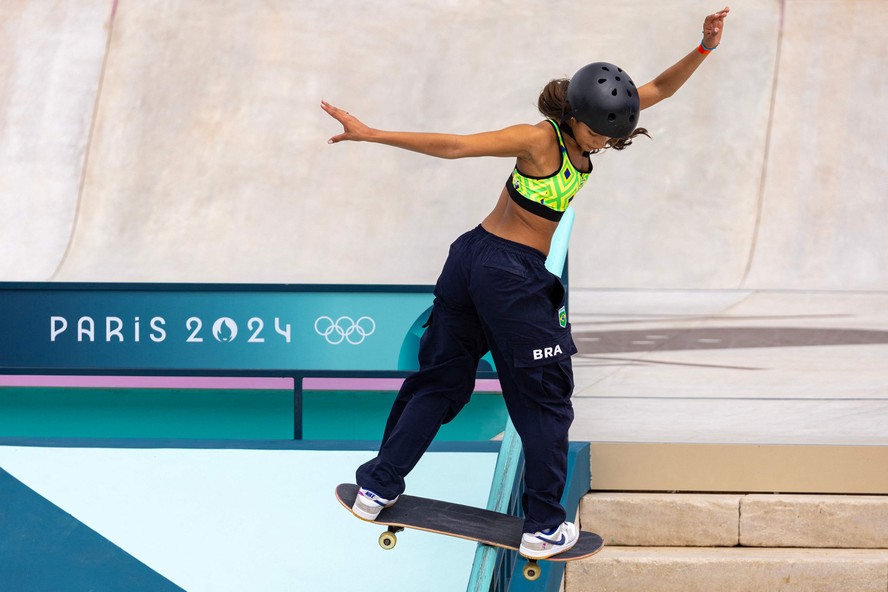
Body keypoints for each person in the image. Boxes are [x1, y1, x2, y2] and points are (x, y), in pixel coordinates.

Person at [322, 7, 730, 559]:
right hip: (507, 275)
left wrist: (704, 48)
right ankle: (543, 525)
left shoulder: (602, 119)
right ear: (578, 115)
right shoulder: (540, 139)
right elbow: (457, 146)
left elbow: (659, 87)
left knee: (439, 384)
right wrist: (372, 135)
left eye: (615, 133)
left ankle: (376, 487)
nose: (607, 143)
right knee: (545, 400)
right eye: (600, 133)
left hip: (469, 261)